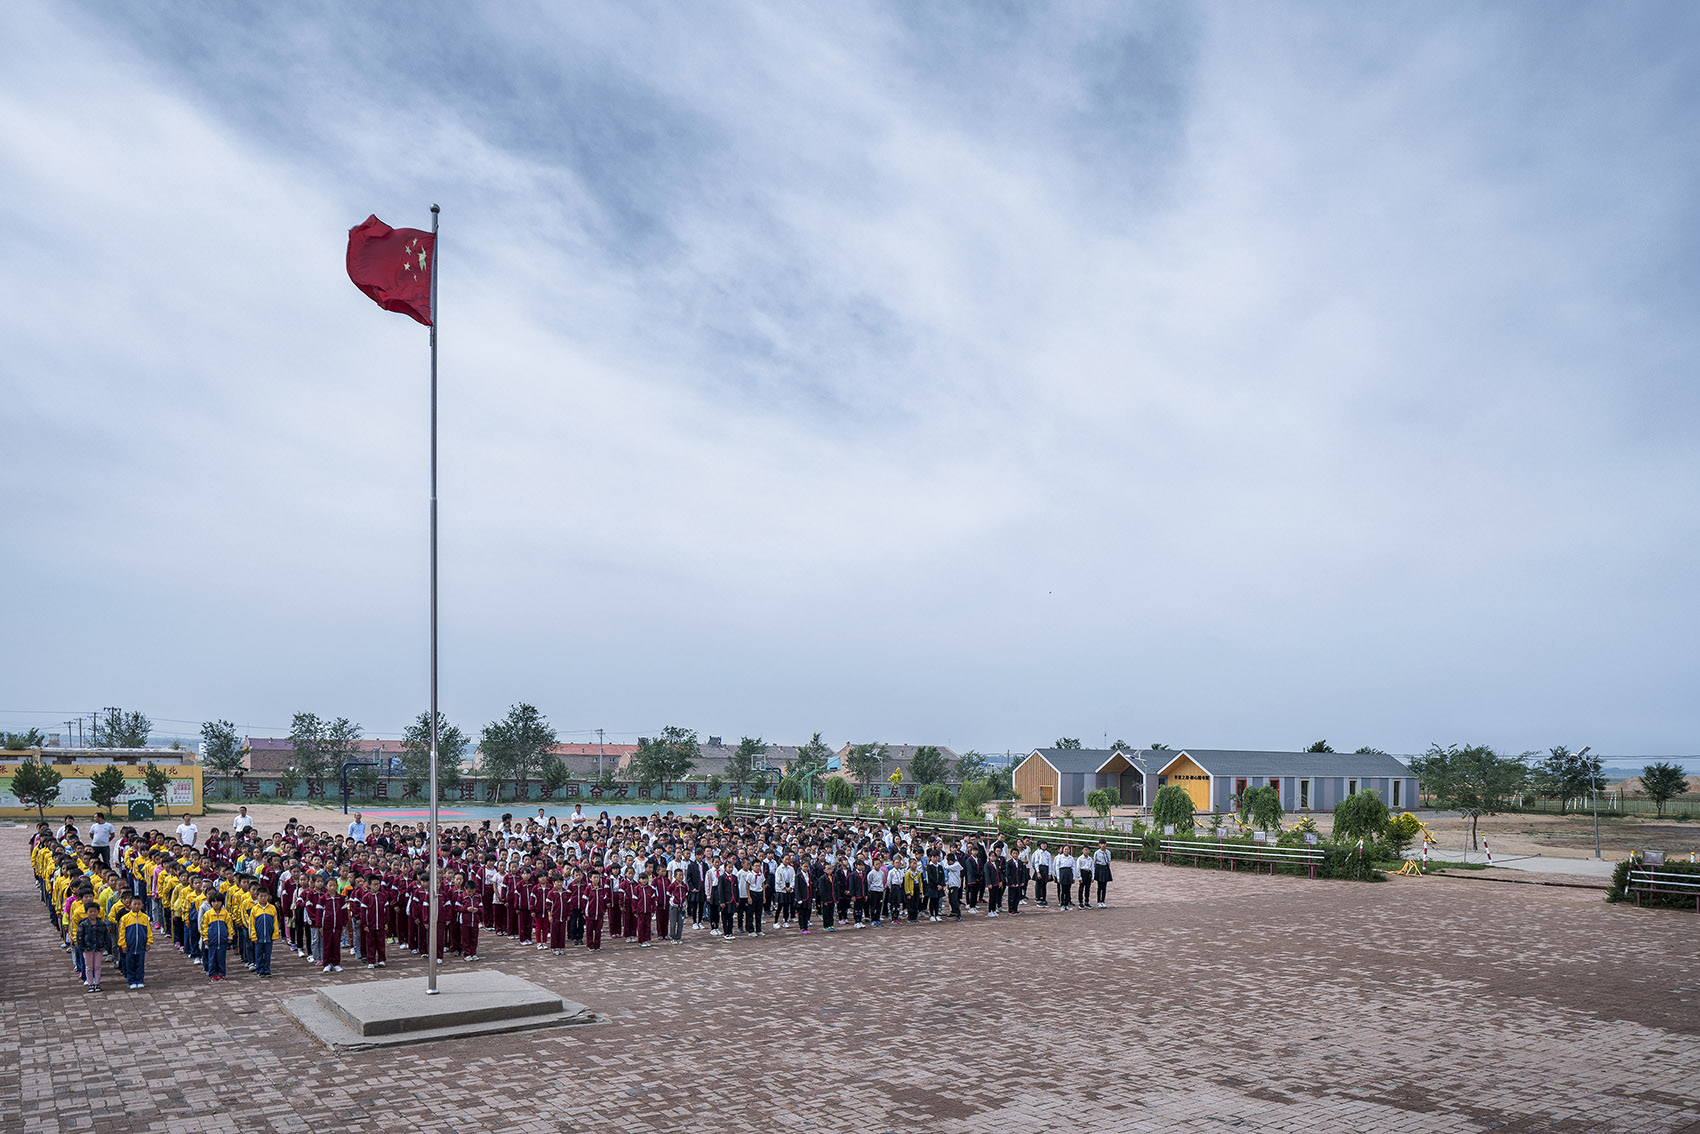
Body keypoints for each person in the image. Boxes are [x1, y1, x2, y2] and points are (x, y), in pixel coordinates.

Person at [77, 897, 112, 992]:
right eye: (90, 911)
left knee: (97, 966)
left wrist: (105, 946)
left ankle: (97, 983)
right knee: (89, 967)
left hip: (98, 948)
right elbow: (79, 937)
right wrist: (82, 947)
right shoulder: (83, 924)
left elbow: (106, 936)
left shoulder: (101, 923)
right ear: (86, 912)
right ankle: (90, 983)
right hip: (87, 948)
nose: (93, 913)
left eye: (95, 911)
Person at [118, 894, 152, 989]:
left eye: (139, 904)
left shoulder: (145, 917)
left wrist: (148, 942)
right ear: (130, 905)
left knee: (140, 964)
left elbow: (148, 931)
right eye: (135, 904)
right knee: (130, 964)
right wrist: (123, 944)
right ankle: (131, 980)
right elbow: (121, 932)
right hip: (129, 946)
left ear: (142, 905)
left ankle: (140, 980)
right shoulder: (125, 918)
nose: (136, 906)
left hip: (141, 946)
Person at [202, 896, 231, 981]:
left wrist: (230, 936)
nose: (216, 903)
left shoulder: (225, 913)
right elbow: (204, 927)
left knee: (221, 958)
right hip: (212, 941)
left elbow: (229, 926)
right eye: (214, 902)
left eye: (218, 901)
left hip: (222, 940)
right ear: (210, 903)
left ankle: (221, 973)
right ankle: (213, 974)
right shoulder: (208, 914)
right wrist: (205, 938)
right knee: (212, 958)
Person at [1094, 840, 1114, 908]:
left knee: (1104, 886)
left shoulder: (1108, 852)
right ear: (1099, 845)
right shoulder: (1096, 853)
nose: (1103, 845)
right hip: (1099, 868)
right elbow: (1095, 862)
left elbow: (1109, 861)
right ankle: (1098, 901)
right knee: (1099, 886)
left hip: (1105, 868)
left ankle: (1103, 901)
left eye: (1104, 844)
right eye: (1101, 844)